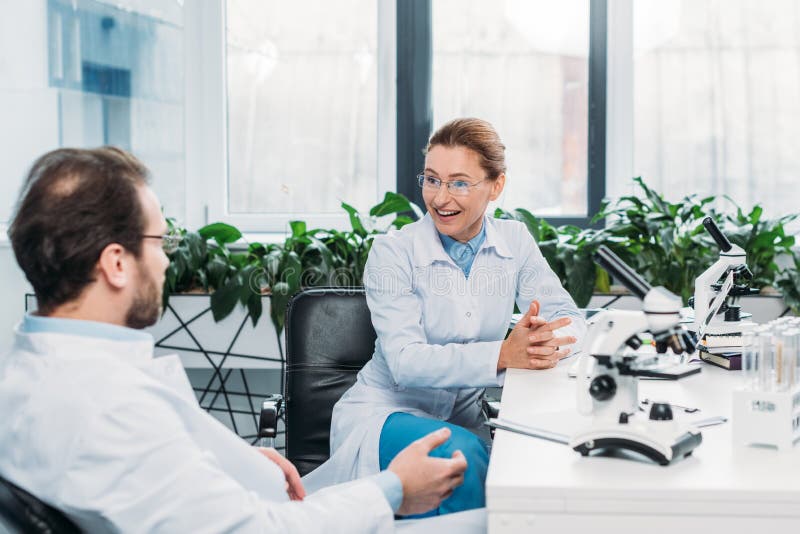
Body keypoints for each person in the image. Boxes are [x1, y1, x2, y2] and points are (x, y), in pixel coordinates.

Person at [0, 147, 477, 533]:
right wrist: (393, 488)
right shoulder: (111, 408)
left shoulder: (36, 370)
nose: (167, 263)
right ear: (116, 264)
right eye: (159, 244)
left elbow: (154, 476)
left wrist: (230, 459)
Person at [311, 118, 587, 516]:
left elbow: (568, 317)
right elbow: (405, 361)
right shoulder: (393, 253)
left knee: (529, 470)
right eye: (432, 179)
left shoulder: (515, 241)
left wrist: (548, 343)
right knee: (460, 459)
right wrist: (504, 355)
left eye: (459, 182)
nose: (440, 198)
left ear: (496, 186)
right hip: (387, 412)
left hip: (462, 420)